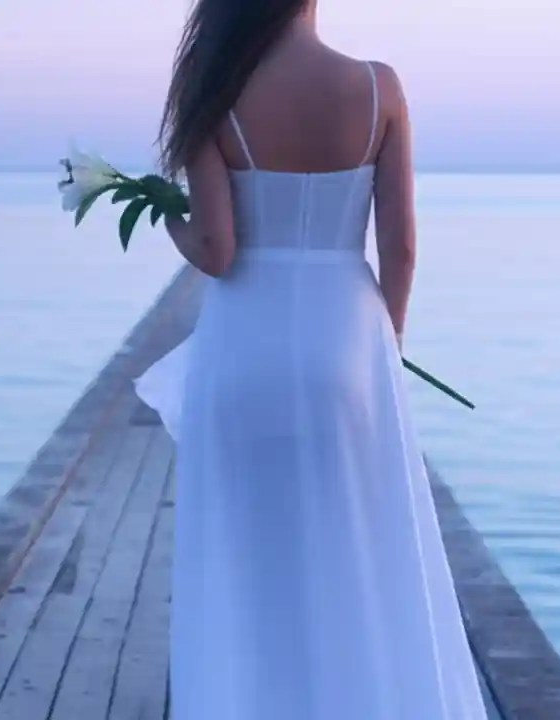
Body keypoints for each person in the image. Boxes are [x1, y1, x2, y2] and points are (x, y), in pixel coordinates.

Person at [132, 0, 489, 718]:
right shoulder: (378, 87)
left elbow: (218, 251)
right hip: (346, 344)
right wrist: (382, 343)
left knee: (246, 559)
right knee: (357, 552)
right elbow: (403, 248)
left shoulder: (213, 91)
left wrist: (166, 214)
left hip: (242, 348)